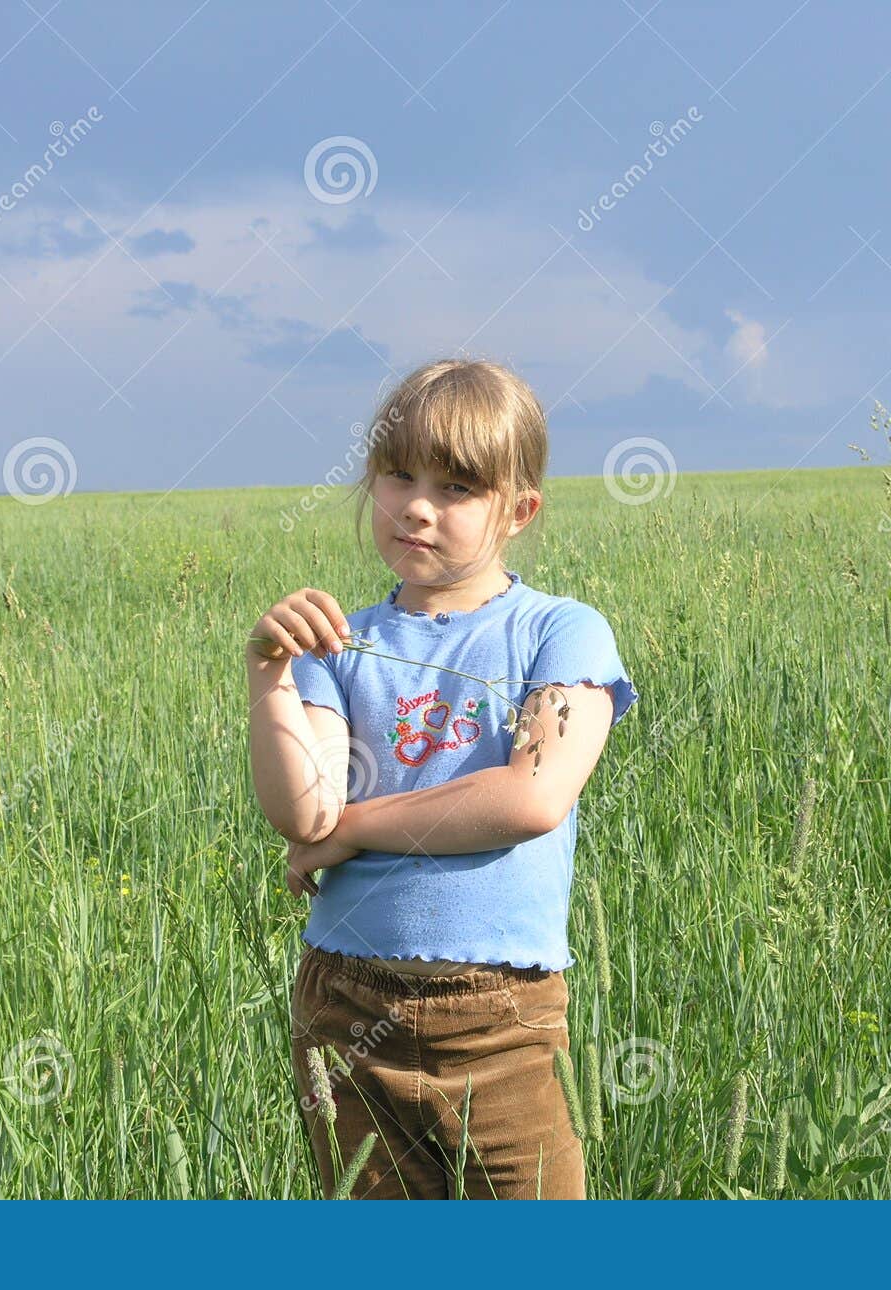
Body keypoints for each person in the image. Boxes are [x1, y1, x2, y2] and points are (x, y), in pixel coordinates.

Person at [245, 357, 638, 1199]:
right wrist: (269, 676)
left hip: (503, 1021)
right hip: (346, 1007)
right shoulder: (338, 645)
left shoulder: (558, 632)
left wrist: (355, 829)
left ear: (519, 510)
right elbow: (305, 812)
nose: (417, 505)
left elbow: (531, 797)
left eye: (457, 487)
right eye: (397, 475)